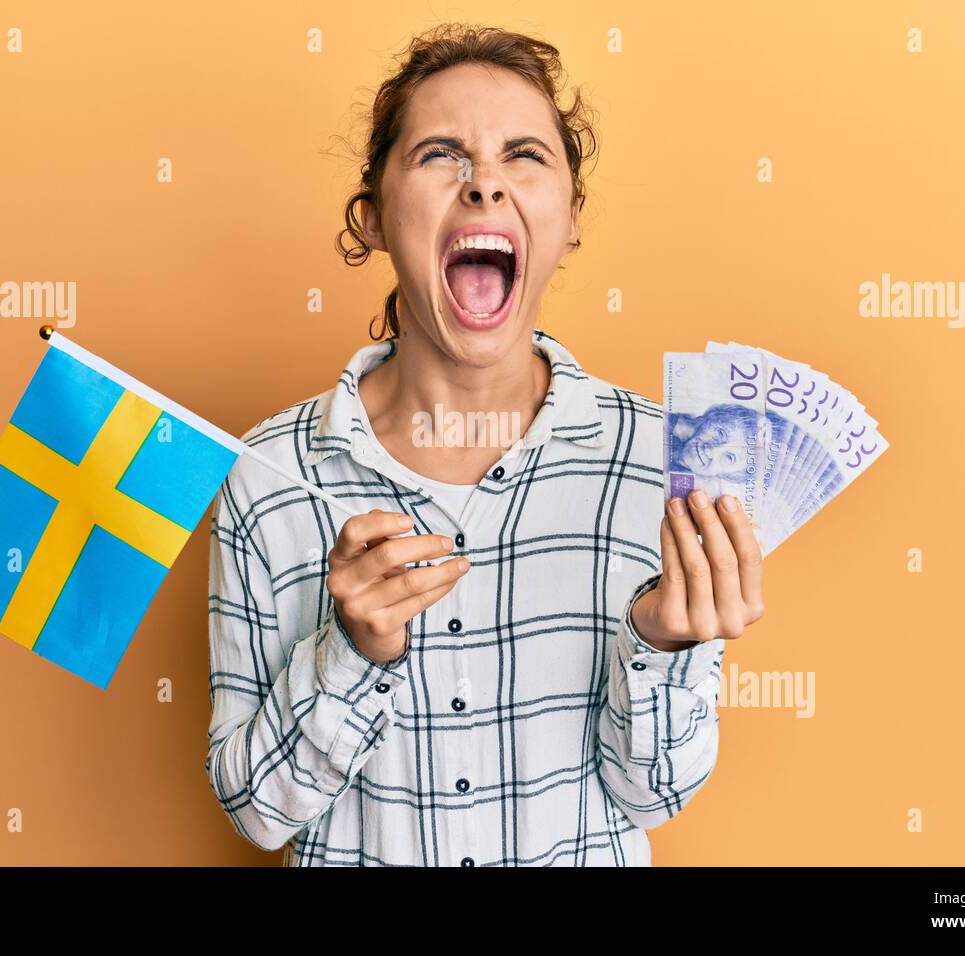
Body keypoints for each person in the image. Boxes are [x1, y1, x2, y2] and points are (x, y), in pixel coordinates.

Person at [205, 23, 766, 867]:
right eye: (440, 154)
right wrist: (350, 654)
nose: (484, 186)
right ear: (375, 217)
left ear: (570, 219)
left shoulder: (662, 464)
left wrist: (661, 648)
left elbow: (656, 796)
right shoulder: (268, 478)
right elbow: (255, 813)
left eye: (524, 156)